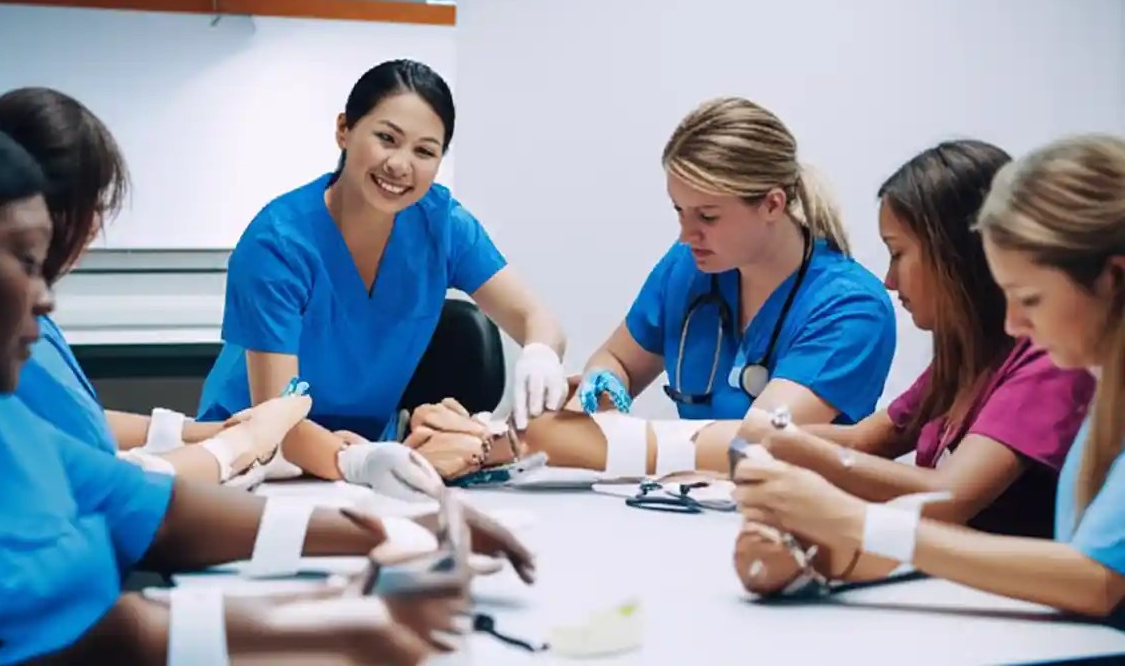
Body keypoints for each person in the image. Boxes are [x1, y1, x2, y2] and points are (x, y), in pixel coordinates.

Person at [0, 115, 535, 664]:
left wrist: (393, 532)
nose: (46, 298)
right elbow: (100, 640)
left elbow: (162, 519)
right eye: (26, 263)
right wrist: (322, 627)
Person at [733, 134, 1125, 618]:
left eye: (1031, 300)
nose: (1014, 324)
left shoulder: (1055, 369)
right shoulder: (1093, 389)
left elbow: (1097, 581)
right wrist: (813, 551)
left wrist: (851, 522)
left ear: (1113, 279)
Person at [406, 97, 898, 480]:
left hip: (787, 522)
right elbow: (616, 361)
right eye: (679, 213)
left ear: (772, 204)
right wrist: (604, 390)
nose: (687, 235)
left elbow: (761, 441)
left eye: (707, 216)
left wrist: (530, 441)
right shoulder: (690, 267)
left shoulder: (851, 309)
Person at [0, 87, 427, 493]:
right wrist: (240, 443)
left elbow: (81, 423)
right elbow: (108, 485)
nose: (96, 226)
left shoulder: (25, 322)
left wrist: (210, 434)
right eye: (88, 205)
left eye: (426, 149)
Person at [196, 59, 568, 484]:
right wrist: (365, 463)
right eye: (386, 138)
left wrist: (540, 354)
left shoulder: (441, 225)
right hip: (253, 458)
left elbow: (538, 320)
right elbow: (275, 422)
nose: (400, 165)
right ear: (344, 130)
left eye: (424, 151)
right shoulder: (278, 243)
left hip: (367, 452)